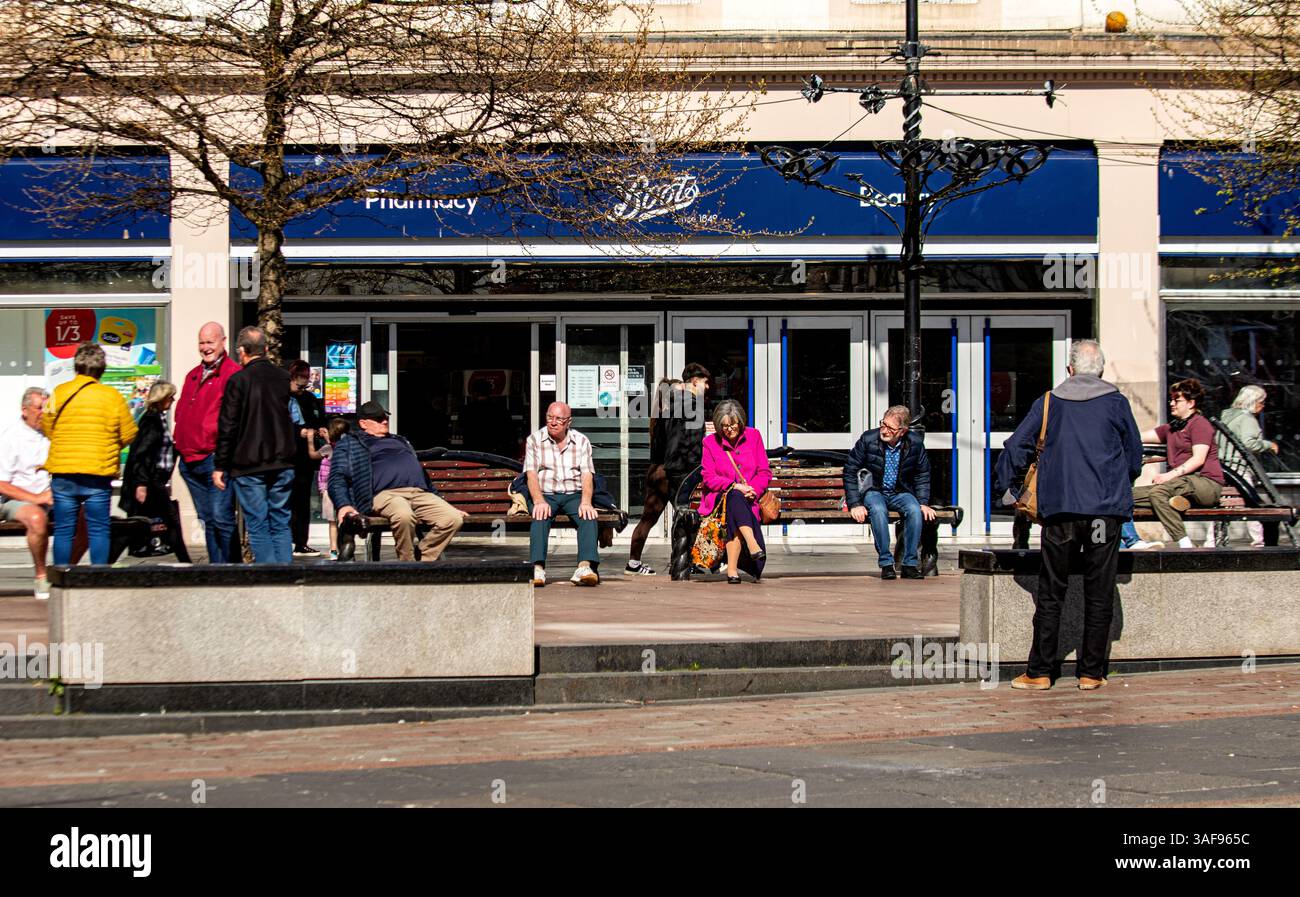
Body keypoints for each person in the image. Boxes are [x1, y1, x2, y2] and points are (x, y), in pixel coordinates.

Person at [995, 339, 1144, 691]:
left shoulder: (1049, 402)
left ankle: (1040, 671)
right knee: (1099, 591)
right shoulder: (1117, 403)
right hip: (1102, 515)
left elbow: (1017, 447)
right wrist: (1117, 484)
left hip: (1060, 512)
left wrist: (1010, 490)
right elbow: (1134, 455)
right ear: (1102, 370)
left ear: (1070, 369)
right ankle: (1091, 672)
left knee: (1051, 592)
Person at [329, 400, 467, 562]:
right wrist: (343, 505)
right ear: (363, 423)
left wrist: (442, 502)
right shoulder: (351, 443)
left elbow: (421, 474)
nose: (385, 421)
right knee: (404, 515)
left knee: (452, 518)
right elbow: (336, 477)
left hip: (419, 492)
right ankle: (406, 563)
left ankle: (423, 557)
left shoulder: (400, 440)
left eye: (385, 417)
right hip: (384, 495)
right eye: (378, 419)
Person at [43, 342, 138, 567]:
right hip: (98, 470)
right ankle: (98, 581)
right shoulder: (112, 396)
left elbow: (47, 427)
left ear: (76, 366)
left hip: (64, 472)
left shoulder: (59, 392)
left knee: (65, 529)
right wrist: (109, 443)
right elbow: (129, 433)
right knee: (98, 528)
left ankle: (61, 580)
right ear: (102, 369)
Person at [213, 326, 297, 565]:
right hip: (282, 459)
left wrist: (220, 464)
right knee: (280, 520)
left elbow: (228, 425)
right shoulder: (282, 378)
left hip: (249, 463)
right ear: (266, 349)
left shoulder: (238, 380)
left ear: (241, 351)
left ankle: (270, 580)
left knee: (258, 524)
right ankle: (286, 575)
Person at [625, 363, 711, 576]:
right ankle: (686, 562)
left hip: (657, 471)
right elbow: (685, 445)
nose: (707, 386)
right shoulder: (686, 407)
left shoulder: (660, 415)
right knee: (688, 517)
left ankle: (633, 562)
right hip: (672, 472)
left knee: (649, 518)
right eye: (705, 382)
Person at [1130, 378, 1225, 550]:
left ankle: (1184, 543)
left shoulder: (1200, 425)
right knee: (1125, 496)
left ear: (1191, 403)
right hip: (1182, 484)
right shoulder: (1172, 428)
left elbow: (1198, 459)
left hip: (1206, 483)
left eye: (1177, 400)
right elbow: (1137, 437)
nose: (1172, 403)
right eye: (1171, 399)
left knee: (1159, 492)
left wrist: (1168, 475)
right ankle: (1176, 501)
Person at [843, 404, 935, 580]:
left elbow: (922, 473)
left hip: (899, 491)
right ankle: (886, 563)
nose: (884, 430)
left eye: (890, 428)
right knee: (877, 510)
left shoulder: (914, 442)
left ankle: (909, 564)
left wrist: (923, 502)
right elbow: (850, 470)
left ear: (902, 431)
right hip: (873, 490)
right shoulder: (869, 439)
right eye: (883, 424)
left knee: (914, 510)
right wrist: (855, 504)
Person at [174, 321, 241, 563]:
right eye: (201, 342)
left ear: (223, 342)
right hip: (190, 459)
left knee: (221, 517)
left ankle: (230, 570)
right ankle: (216, 569)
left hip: (215, 459)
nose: (205, 347)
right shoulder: (192, 375)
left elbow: (233, 419)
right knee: (208, 519)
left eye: (210, 342)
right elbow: (181, 411)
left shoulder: (232, 374)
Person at [525, 401, 600, 587]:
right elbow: (531, 474)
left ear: (569, 422)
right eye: (550, 417)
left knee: (588, 516)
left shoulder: (581, 441)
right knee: (540, 515)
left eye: (559, 419)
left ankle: (584, 567)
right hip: (545, 493)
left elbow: (587, 474)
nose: (553, 422)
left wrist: (585, 501)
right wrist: (538, 500)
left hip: (573, 493)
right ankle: (538, 568)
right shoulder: (534, 440)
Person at [698, 398, 770, 584]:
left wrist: (753, 489)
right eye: (724, 426)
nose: (729, 430)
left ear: (741, 421)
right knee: (733, 497)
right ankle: (752, 544)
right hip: (718, 499)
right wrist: (735, 486)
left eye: (733, 425)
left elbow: (764, 471)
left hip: (749, 497)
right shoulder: (710, 443)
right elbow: (709, 477)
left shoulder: (754, 436)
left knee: (735, 505)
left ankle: (732, 571)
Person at [119, 380, 191, 563]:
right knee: (169, 521)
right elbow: (142, 453)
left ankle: (186, 561)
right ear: (161, 399)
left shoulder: (157, 418)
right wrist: (141, 484)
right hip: (151, 481)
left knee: (139, 524)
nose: (173, 400)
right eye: (170, 397)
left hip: (154, 480)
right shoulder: (151, 421)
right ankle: (186, 562)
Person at [1205, 384, 1278, 548]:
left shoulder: (1227, 417)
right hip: (1240, 469)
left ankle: (1211, 541)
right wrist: (1268, 445)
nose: (1263, 405)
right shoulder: (1247, 419)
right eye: (1262, 401)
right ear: (1253, 401)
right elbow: (1249, 443)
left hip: (1225, 468)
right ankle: (1259, 540)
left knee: (1223, 504)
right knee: (1252, 503)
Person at [0, 388, 53, 597]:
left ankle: (66, 571)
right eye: (39, 408)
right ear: (25, 410)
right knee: (36, 517)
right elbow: (2, 484)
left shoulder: (52, 434)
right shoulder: (11, 438)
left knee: (88, 517)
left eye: (47, 408)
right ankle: (41, 576)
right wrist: (36, 498)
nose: (43, 413)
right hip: (15, 500)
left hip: (52, 497)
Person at [287, 359, 327, 557]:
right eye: (298, 382)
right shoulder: (284, 398)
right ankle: (287, 540)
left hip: (306, 457)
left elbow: (321, 418)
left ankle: (301, 542)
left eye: (305, 382)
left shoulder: (310, 398)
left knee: (302, 501)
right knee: (287, 500)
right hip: (288, 456)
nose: (301, 387)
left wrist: (320, 428)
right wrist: (298, 432)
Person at [316, 416, 350, 560]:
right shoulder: (347, 447)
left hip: (329, 489)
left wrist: (311, 440)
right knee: (341, 521)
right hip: (340, 488)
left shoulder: (329, 448)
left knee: (333, 522)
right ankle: (342, 548)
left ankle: (334, 550)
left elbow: (313, 454)